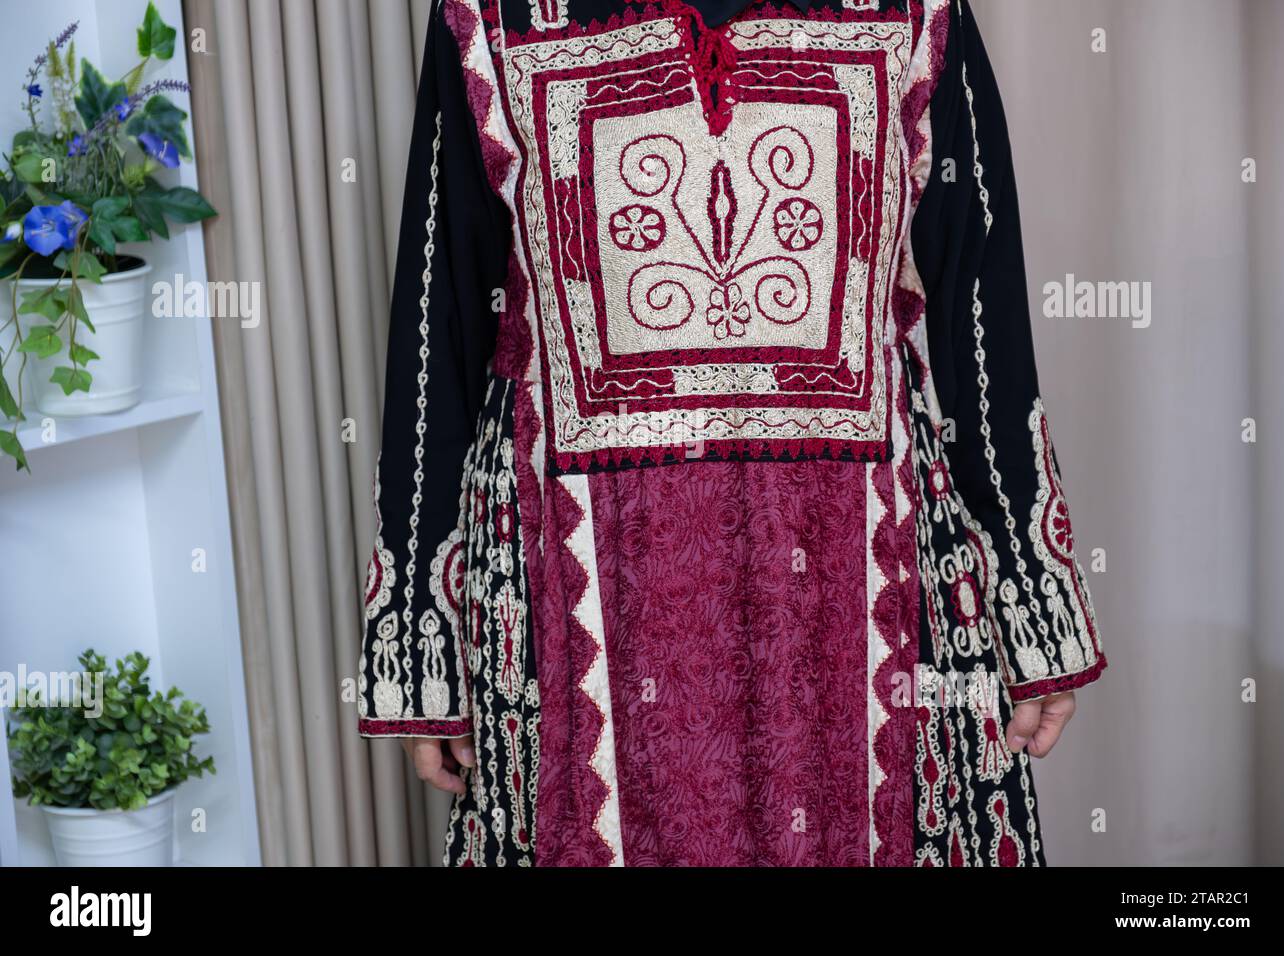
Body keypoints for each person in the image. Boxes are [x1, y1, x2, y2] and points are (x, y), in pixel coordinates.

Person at [358, 0, 1106, 867]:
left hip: (866, 569)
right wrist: (420, 642)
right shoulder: (494, 17)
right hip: (574, 588)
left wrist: (1033, 600)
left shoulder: (915, 10)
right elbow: (440, 311)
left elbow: (979, 305)